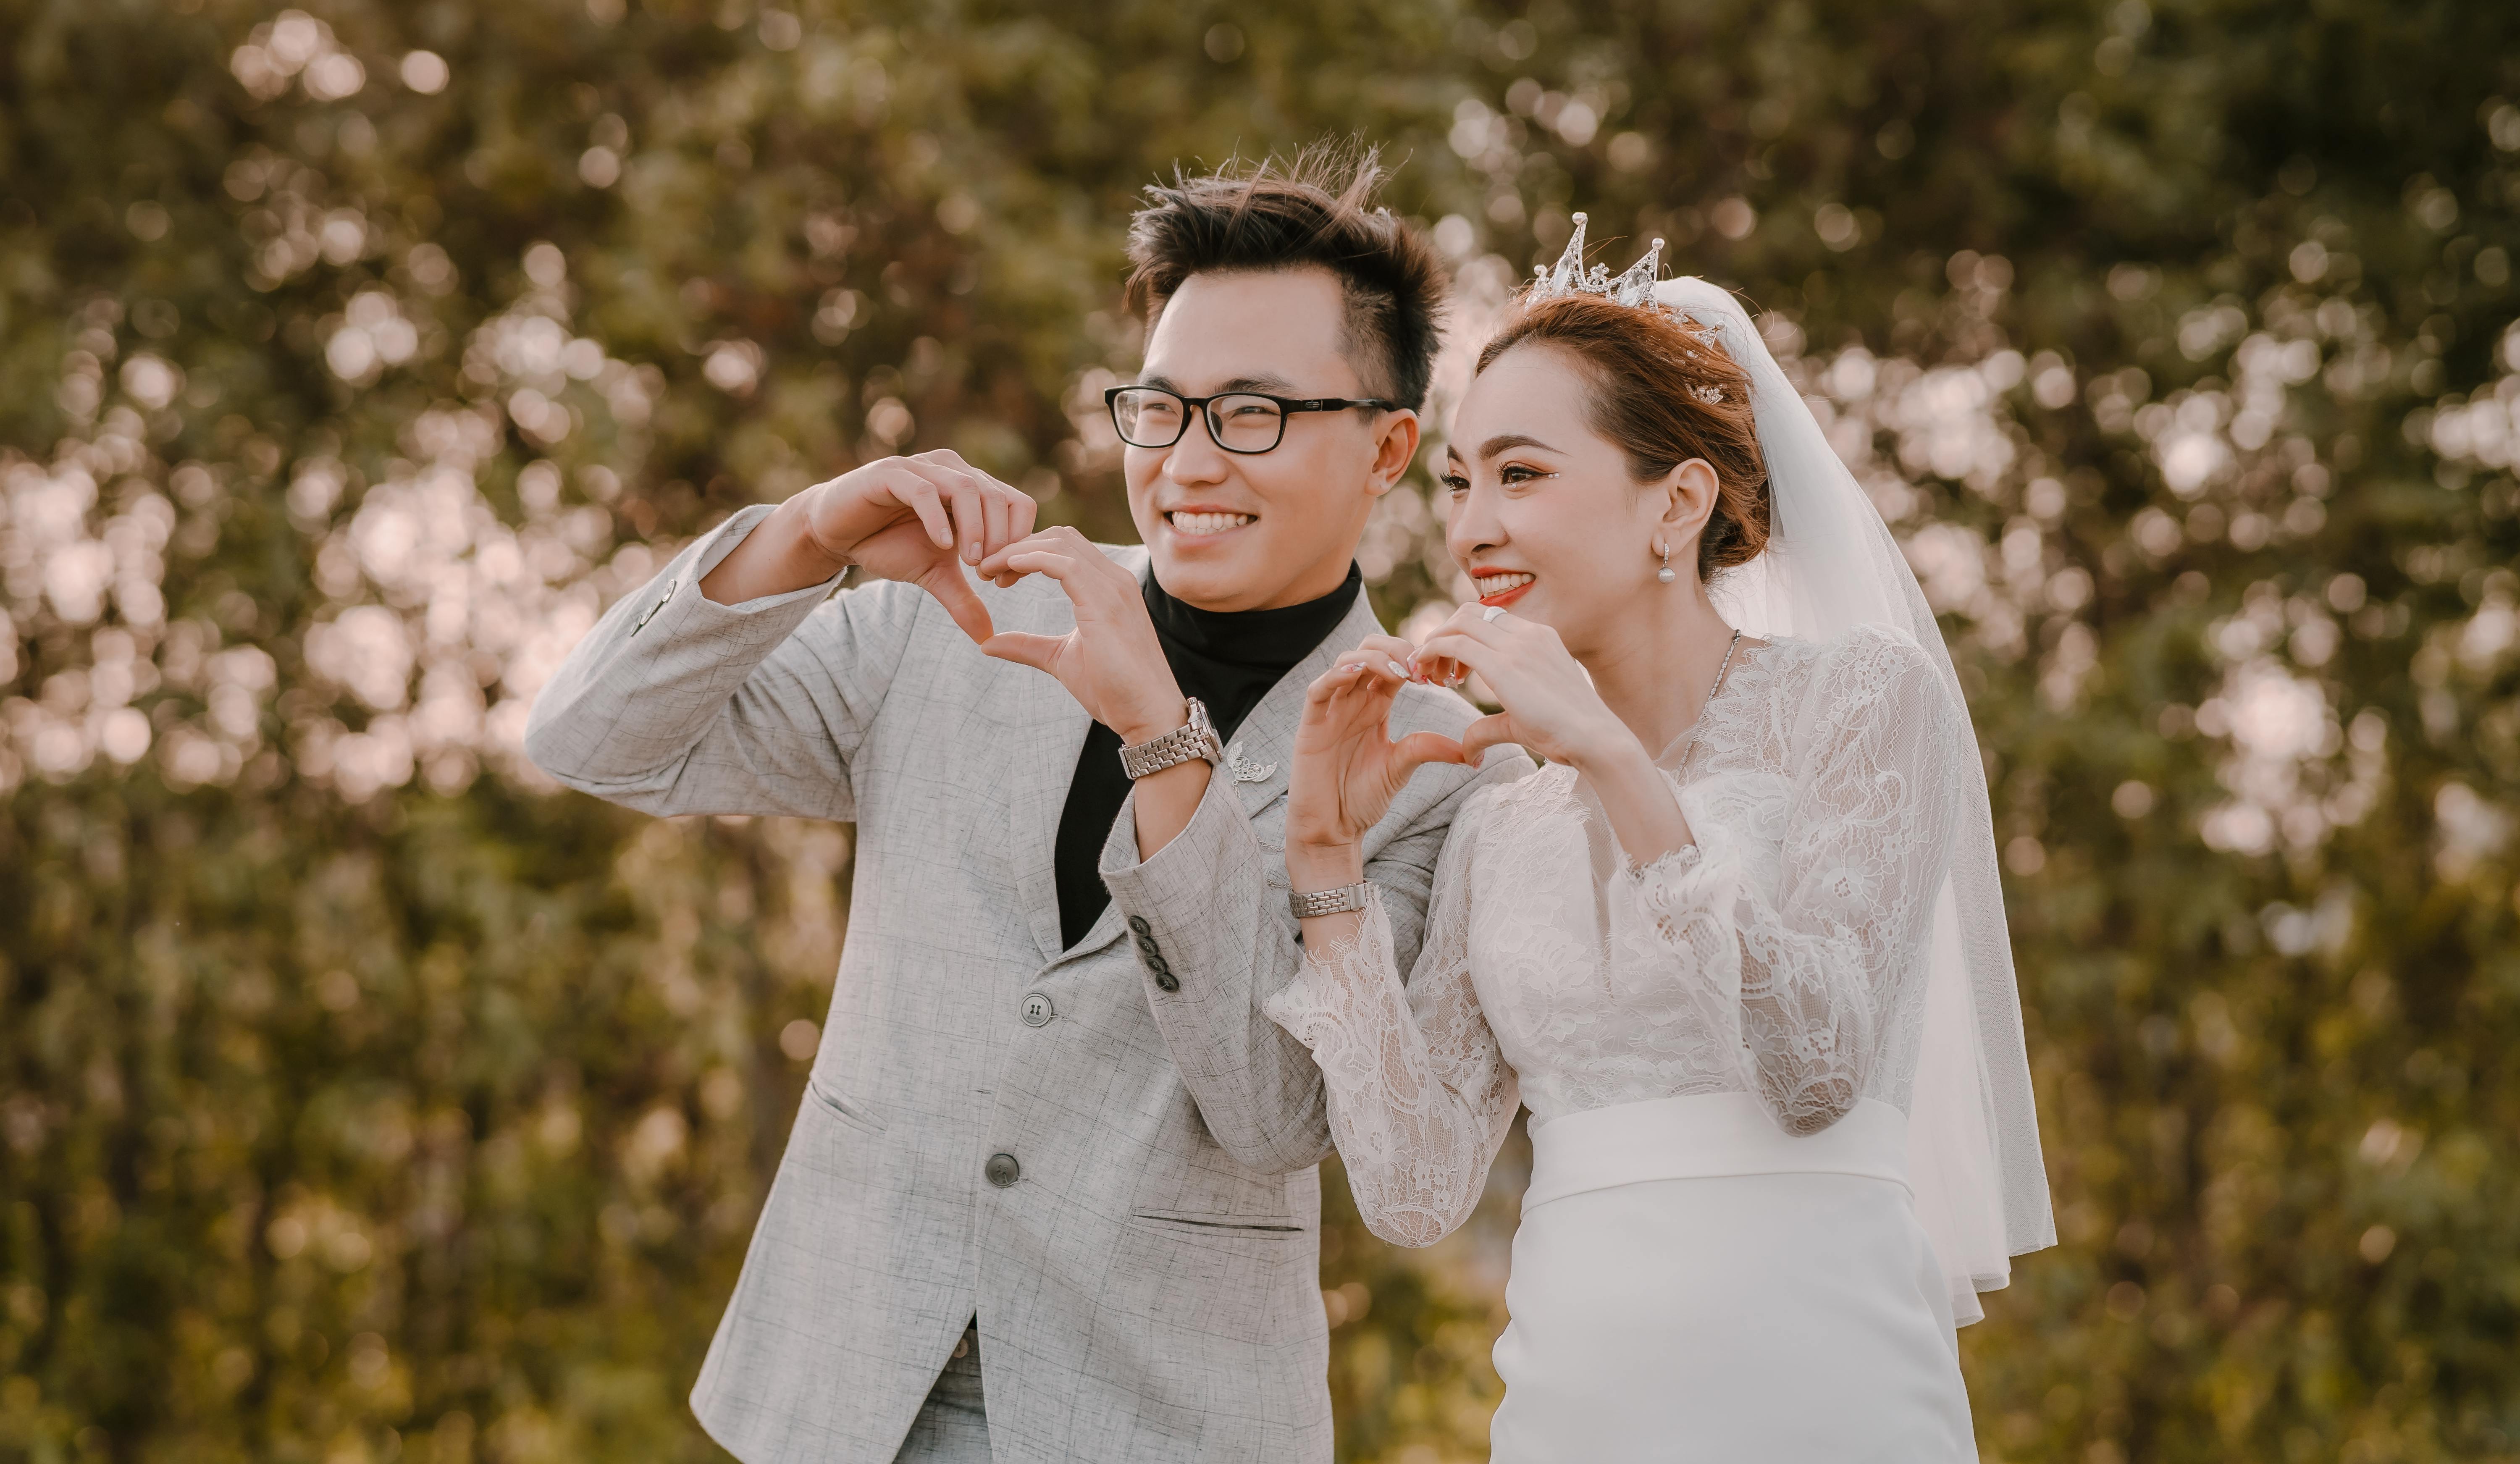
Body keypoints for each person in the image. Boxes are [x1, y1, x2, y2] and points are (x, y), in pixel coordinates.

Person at [524, 154, 1528, 1464]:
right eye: (1159, 412)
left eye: (1253, 414)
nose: (1186, 463)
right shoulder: (965, 611)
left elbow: (1279, 1113)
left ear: (1389, 446)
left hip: (1161, 1421)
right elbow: (594, 739)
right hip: (836, 1390)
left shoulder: (1442, 755)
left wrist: (1164, 744)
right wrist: (809, 536)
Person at [1263, 221, 2054, 1461]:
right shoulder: (1500, 819)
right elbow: (1417, 1191)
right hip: (1576, 1408)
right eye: (1459, 483)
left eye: (1519, 476)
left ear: (1676, 503)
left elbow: (1815, 1066)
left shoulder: (1859, 703)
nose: (1470, 529)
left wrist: (1615, 761)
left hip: (1832, 1395)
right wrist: (1323, 855)